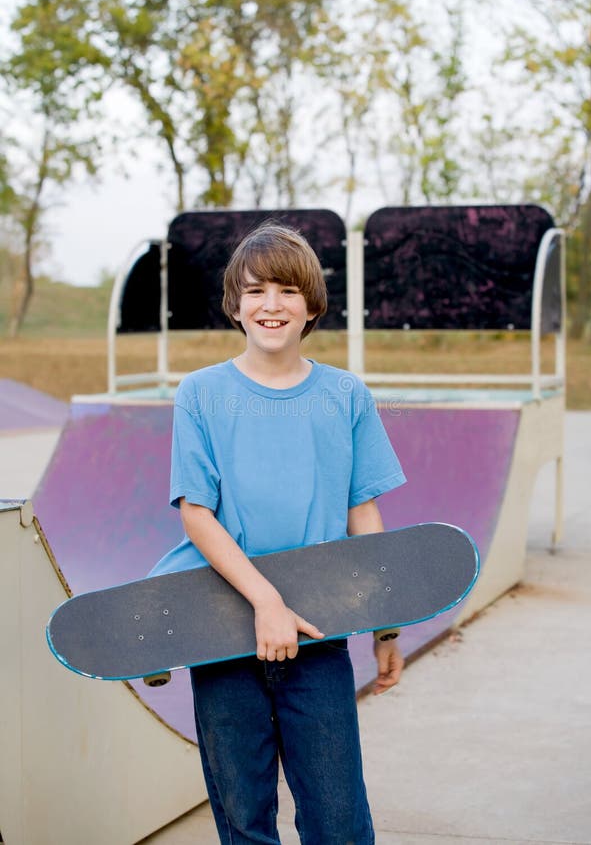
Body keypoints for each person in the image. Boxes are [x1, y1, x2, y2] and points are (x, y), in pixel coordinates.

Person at [150, 222, 407, 844]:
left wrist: (386, 625)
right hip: (224, 629)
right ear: (235, 305)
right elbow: (196, 512)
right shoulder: (202, 394)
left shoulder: (344, 394)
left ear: (312, 305)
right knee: (244, 819)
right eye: (256, 290)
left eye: (288, 291)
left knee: (338, 820)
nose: (272, 304)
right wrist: (266, 601)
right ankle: (156, 637)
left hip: (318, 631)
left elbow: (363, 513)